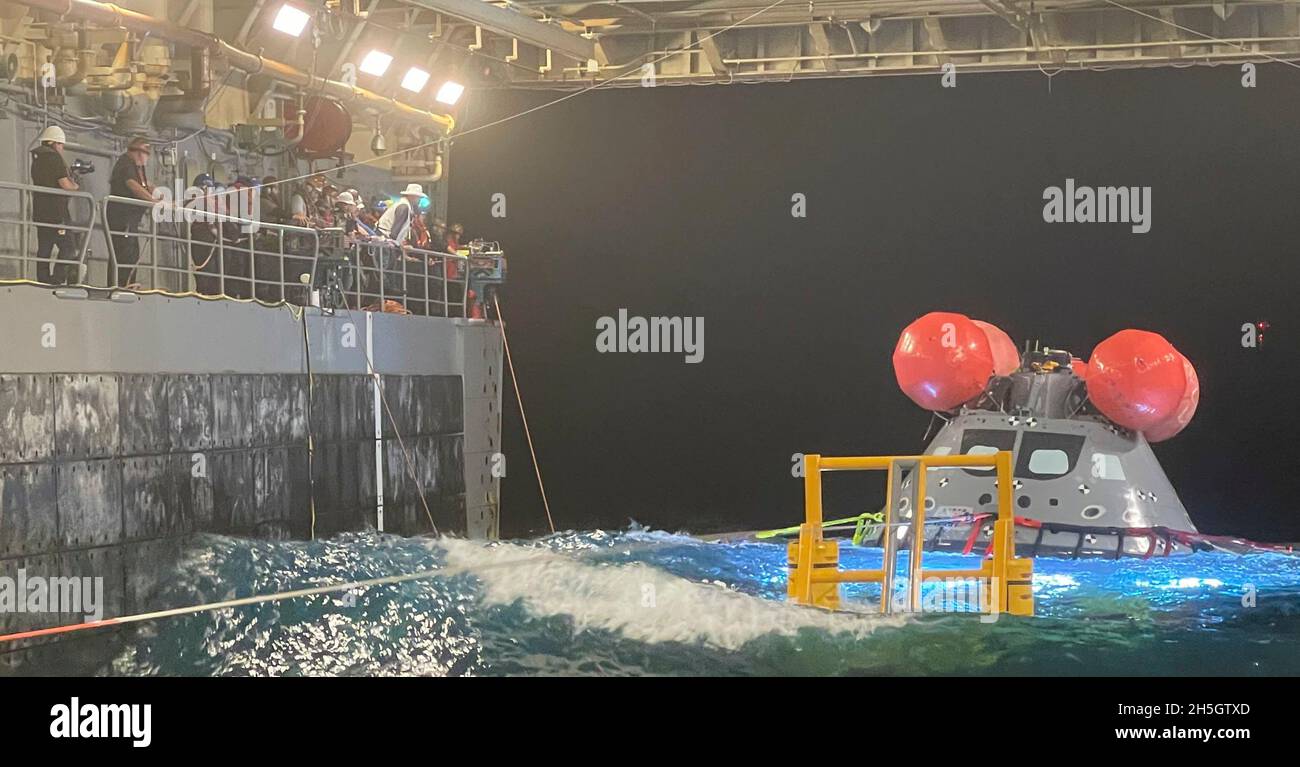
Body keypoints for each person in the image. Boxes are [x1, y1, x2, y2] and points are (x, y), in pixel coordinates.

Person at [28, 125, 79, 285]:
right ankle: (56, 280)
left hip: (41, 212)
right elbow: (64, 184)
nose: (62, 148)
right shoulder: (54, 158)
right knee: (68, 247)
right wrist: (76, 186)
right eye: (61, 145)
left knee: (44, 248)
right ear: (55, 143)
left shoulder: (37, 160)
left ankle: (42, 280)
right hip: (56, 213)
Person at [106, 137, 154, 287]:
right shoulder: (125, 164)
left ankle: (128, 285)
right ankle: (119, 286)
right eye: (145, 153)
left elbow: (145, 185)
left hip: (131, 220)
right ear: (139, 153)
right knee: (124, 253)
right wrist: (152, 201)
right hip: (122, 218)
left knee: (132, 253)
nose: (146, 158)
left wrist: (158, 195)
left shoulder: (138, 168)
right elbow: (132, 185)